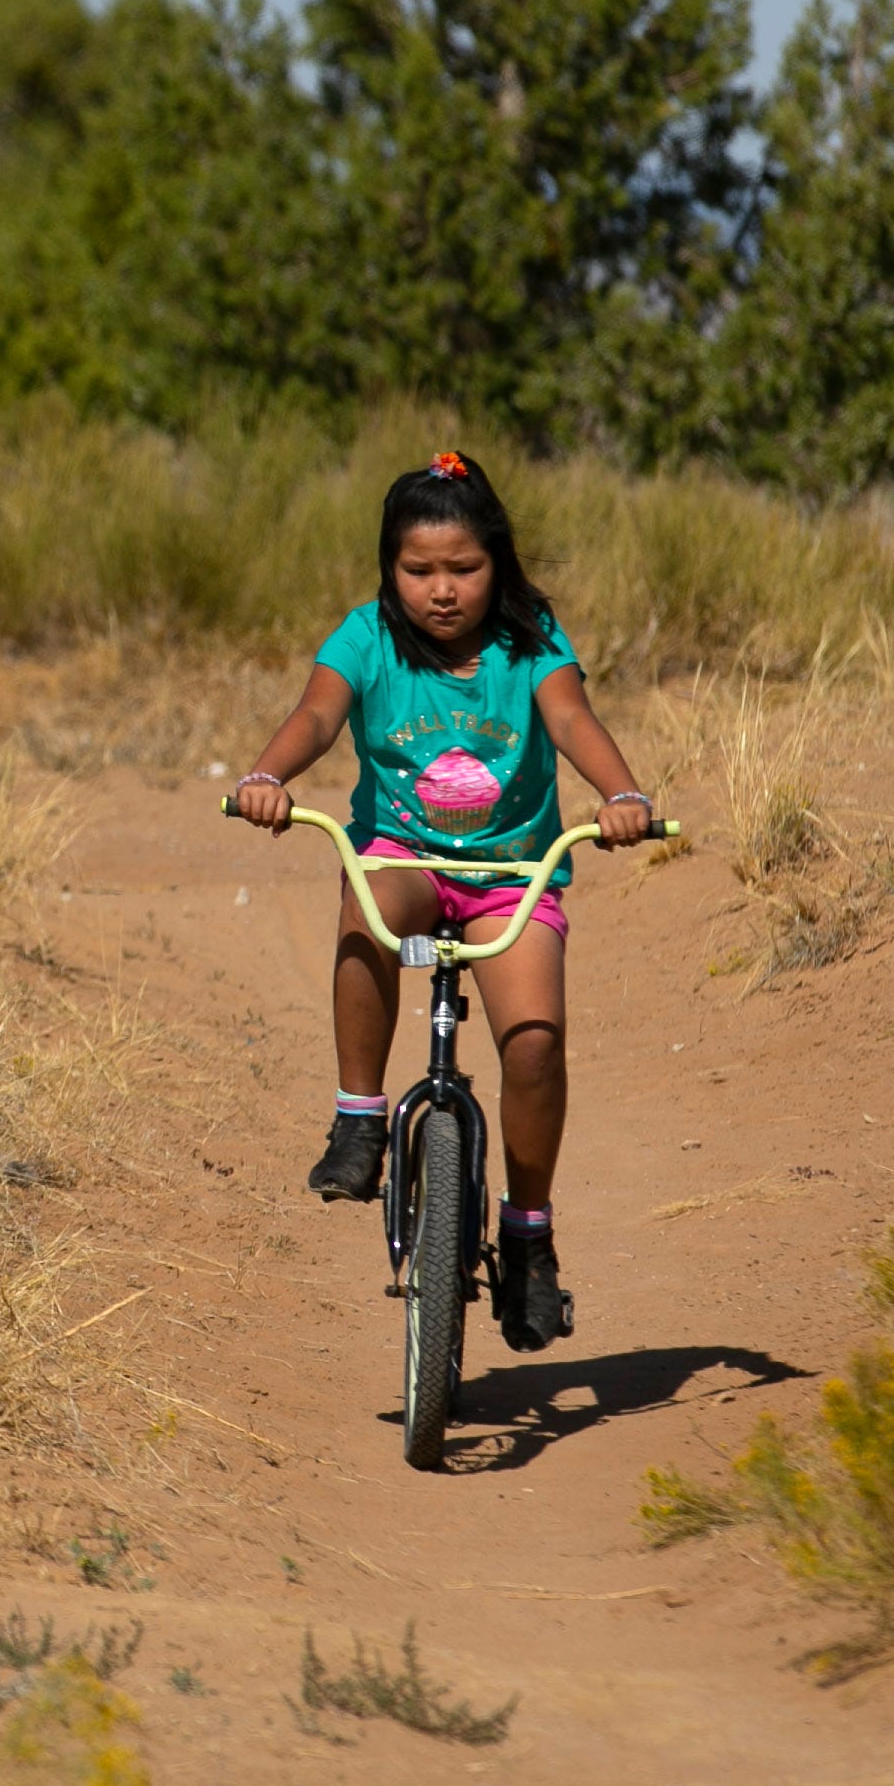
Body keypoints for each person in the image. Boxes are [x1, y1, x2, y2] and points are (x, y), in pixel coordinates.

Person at [227, 450, 659, 1353]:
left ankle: (530, 1233)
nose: (442, 590)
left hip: (512, 874)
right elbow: (316, 713)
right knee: (366, 905)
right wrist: (271, 773)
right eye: (418, 570)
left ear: (496, 561)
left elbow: (573, 719)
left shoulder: (529, 637)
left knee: (534, 1046)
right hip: (410, 856)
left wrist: (622, 796)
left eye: (463, 568)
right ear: (389, 568)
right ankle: (359, 1116)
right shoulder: (367, 636)